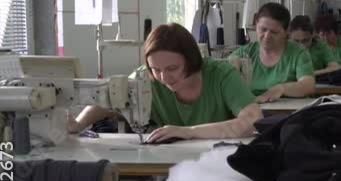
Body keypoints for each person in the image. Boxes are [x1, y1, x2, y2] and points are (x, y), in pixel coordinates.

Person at [69, 23, 262, 143]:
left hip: (221, 161)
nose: (163, 78)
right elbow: (108, 98)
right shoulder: (145, 78)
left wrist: (188, 132)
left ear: (191, 59)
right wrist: (78, 123)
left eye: (172, 69)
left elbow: (252, 121)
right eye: (156, 69)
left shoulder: (221, 75)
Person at [231, 3, 315, 102]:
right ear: (256, 25)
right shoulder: (245, 53)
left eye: (274, 32)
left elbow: (308, 85)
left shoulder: (299, 53)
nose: (267, 36)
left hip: (287, 113)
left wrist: (281, 89)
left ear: (286, 32)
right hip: (253, 109)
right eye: (263, 29)